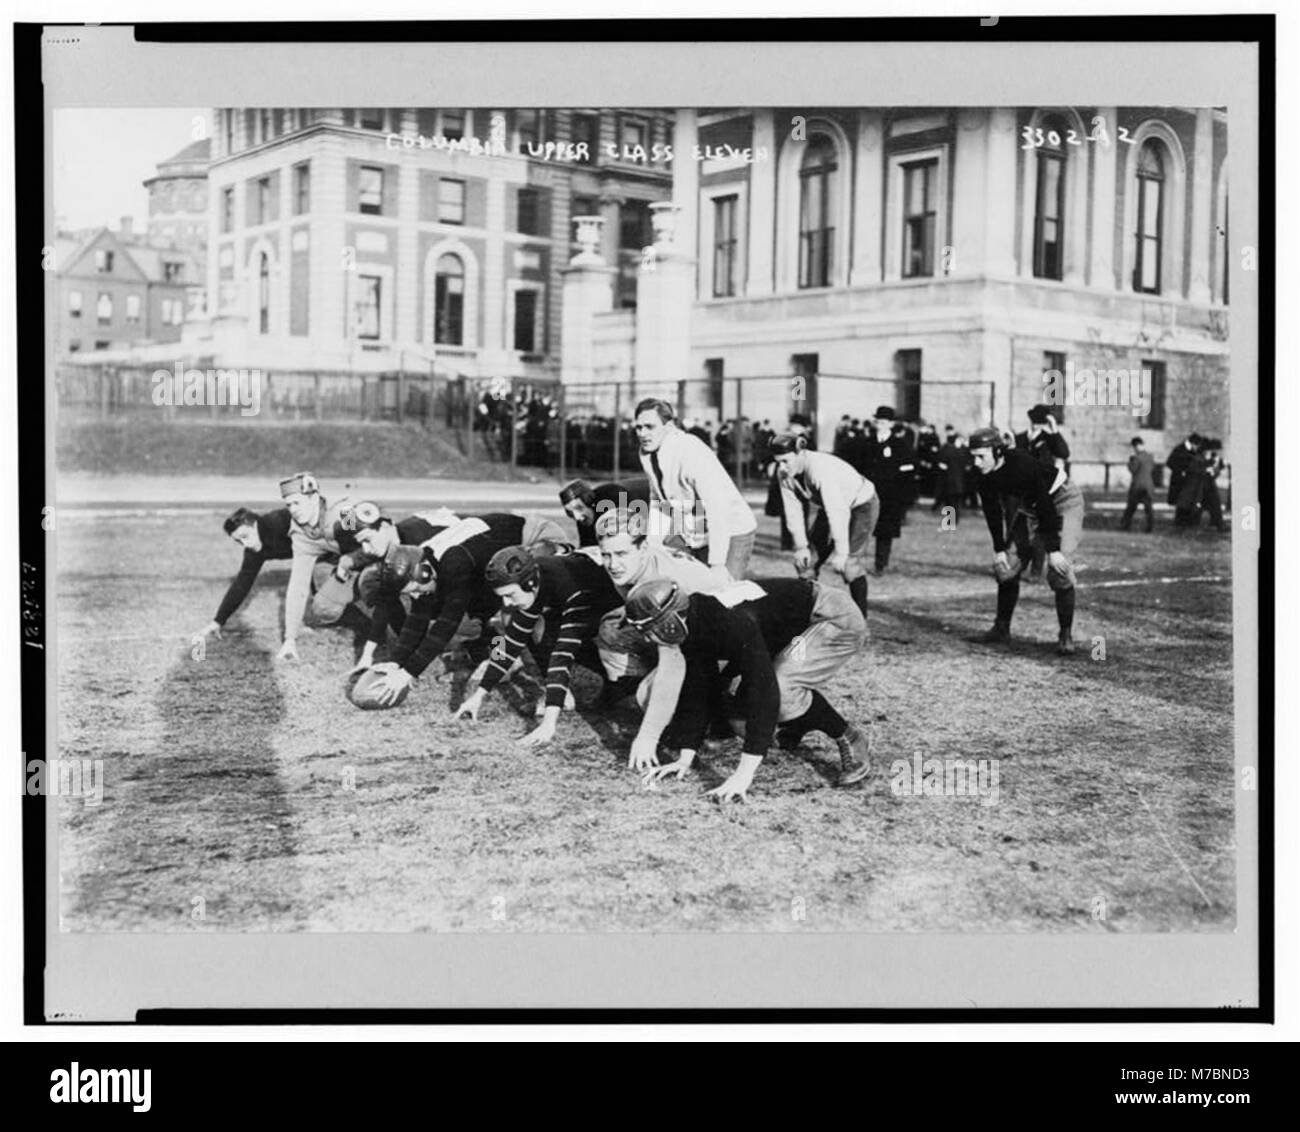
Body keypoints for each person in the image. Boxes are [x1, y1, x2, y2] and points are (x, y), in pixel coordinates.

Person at [624, 576, 873, 798]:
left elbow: (763, 691)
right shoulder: (696, 619)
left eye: (649, 630)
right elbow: (699, 689)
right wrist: (685, 757)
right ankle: (800, 722)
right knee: (739, 719)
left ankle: (849, 736)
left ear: (671, 620)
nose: (647, 639)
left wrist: (743, 775)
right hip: (789, 627)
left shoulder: (731, 622)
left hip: (829, 617)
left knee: (781, 689)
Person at [357, 512, 566, 708]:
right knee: (476, 617)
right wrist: (395, 662)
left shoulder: (453, 562)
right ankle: (502, 660)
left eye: (415, 590)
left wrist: (408, 673)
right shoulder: (424, 562)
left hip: (538, 539)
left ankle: (558, 689)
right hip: (495, 560)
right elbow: (417, 618)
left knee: (520, 615)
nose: (416, 597)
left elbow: (448, 622)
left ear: (423, 574)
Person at [453, 545, 624, 747]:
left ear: (531, 583)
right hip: (574, 593)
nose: (506, 603)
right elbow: (508, 644)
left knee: (591, 643)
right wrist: (478, 695)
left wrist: (548, 724)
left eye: (510, 595)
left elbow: (562, 655)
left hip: (608, 601)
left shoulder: (569, 588)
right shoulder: (532, 580)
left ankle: (624, 685)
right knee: (530, 630)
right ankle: (562, 692)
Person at [592, 506, 732, 706]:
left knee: (652, 697)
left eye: (621, 553)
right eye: (606, 555)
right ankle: (628, 684)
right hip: (686, 628)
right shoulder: (632, 563)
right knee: (612, 626)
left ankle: (707, 697)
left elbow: (687, 638)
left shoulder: (664, 578)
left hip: (717, 641)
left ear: (643, 547)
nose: (613, 564)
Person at [967, 426, 1083, 655]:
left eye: (981, 456)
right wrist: (999, 548)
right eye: (974, 457)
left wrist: (1053, 550)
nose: (977, 462)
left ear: (998, 452)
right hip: (1031, 506)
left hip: (1063, 501)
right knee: (1006, 566)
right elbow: (992, 511)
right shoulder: (982, 474)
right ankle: (1001, 629)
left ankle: (1065, 633)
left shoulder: (1021, 464)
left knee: (1059, 569)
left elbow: (1046, 506)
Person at [633, 398, 757, 580]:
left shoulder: (690, 451)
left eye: (649, 427)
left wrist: (717, 564)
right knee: (668, 581)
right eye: (639, 427)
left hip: (731, 529)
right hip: (695, 527)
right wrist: (653, 547)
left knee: (721, 595)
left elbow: (717, 509)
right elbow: (659, 501)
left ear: (669, 427)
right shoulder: (648, 452)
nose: (643, 433)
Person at [770, 433, 878, 617]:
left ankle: (861, 622)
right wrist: (801, 546)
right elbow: (792, 510)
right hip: (832, 506)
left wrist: (841, 552)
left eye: (786, 461)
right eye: (778, 462)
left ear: (800, 453)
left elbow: (837, 512)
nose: (782, 467)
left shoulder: (820, 469)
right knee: (806, 563)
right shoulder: (784, 473)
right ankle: (804, 616)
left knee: (849, 566)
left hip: (861, 505)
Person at [278, 472, 361, 661]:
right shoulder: (299, 532)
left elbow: (365, 546)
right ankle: (366, 625)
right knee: (323, 607)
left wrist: (349, 569)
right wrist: (289, 639)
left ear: (313, 497)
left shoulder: (344, 509)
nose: (292, 509)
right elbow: (297, 586)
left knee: (371, 581)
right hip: (343, 561)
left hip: (370, 554)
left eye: (297, 503)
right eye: (288, 505)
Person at [193, 506, 295, 644]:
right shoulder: (252, 551)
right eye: (239, 541)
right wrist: (218, 621)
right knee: (322, 606)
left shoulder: (279, 521)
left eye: (245, 536)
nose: (245, 544)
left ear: (254, 524)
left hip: (326, 547)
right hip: (312, 558)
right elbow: (241, 585)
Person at [849, 406, 915, 576]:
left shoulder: (900, 445)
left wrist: (903, 498)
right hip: (867, 495)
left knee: (884, 532)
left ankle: (880, 564)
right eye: (878, 422)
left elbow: (907, 473)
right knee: (861, 528)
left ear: (891, 424)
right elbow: (858, 468)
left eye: (884, 422)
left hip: (889, 497)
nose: (880, 425)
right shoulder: (866, 443)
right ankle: (853, 562)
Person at [558, 476, 652, 548]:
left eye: (578, 508)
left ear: (588, 500)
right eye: (570, 512)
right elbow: (588, 548)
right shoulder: (584, 519)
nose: (577, 517)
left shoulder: (613, 498)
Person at [1120, 437, 1156, 533]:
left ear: (1136, 446)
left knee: (1131, 508)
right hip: (1148, 485)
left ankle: (1125, 525)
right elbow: (1152, 469)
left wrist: (1130, 461)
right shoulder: (1150, 457)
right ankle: (1150, 526)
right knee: (1148, 508)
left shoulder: (1136, 458)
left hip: (1137, 486)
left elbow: (1133, 470)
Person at [1166, 434, 1201, 527]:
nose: (1197, 448)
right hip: (1179, 480)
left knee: (1187, 501)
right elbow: (1169, 463)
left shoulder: (1191, 451)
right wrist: (1180, 471)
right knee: (1180, 501)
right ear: (1193, 443)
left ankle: (1185, 521)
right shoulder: (1179, 450)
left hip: (1188, 481)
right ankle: (1179, 522)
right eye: (1196, 446)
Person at [934, 433, 967, 522]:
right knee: (954, 501)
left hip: (950, 479)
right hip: (958, 480)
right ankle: (954, 519)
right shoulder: (963, 451)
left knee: (951, 501)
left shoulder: (949, 450)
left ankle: (951, 520)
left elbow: (942, 464)